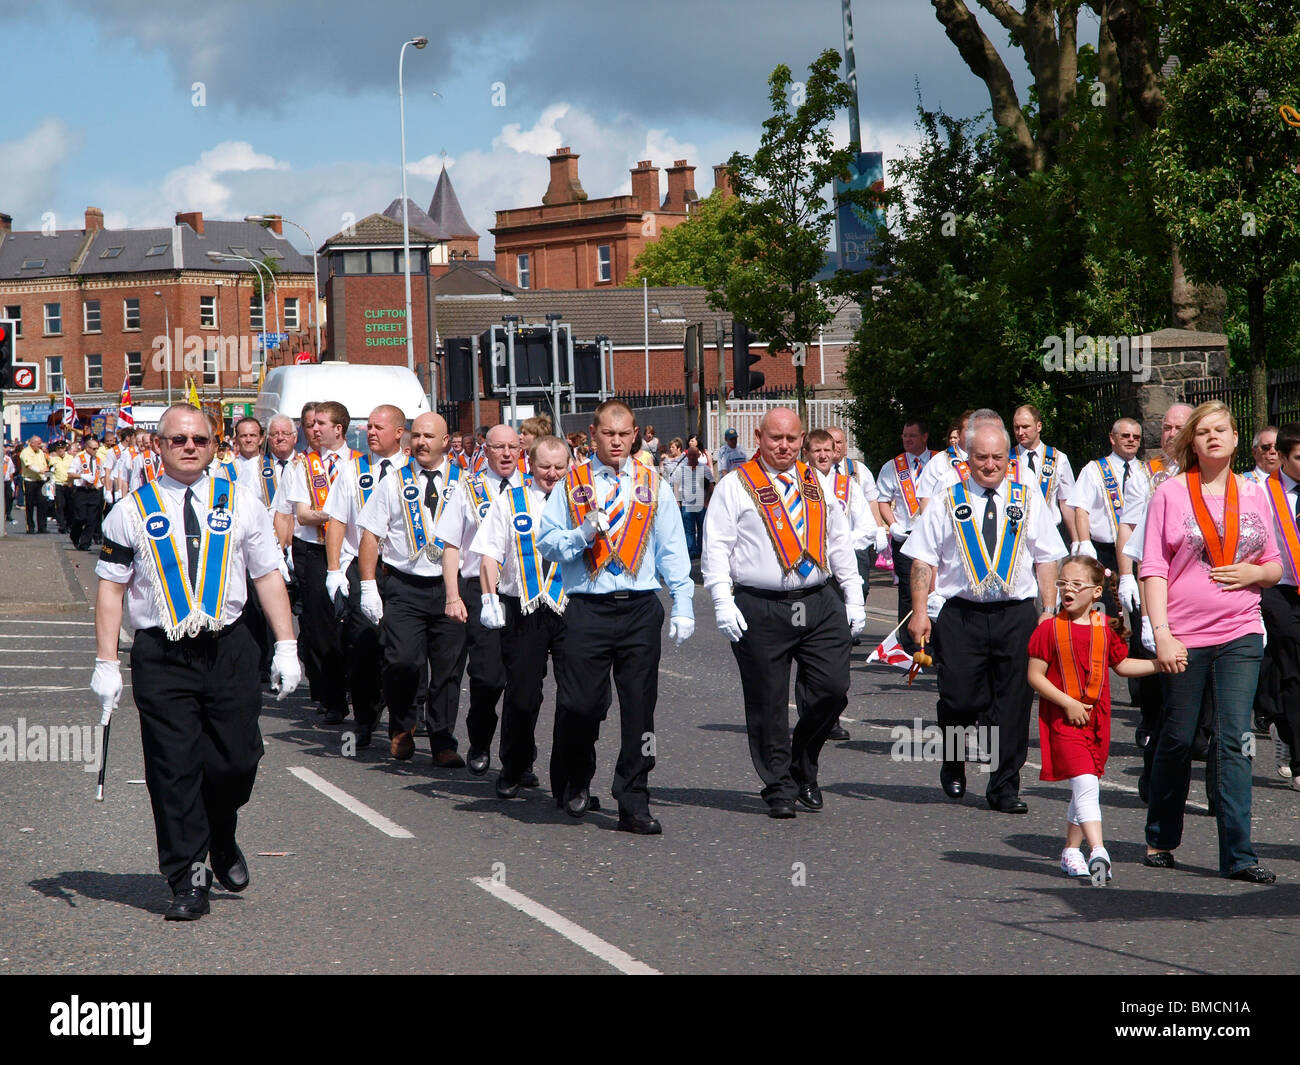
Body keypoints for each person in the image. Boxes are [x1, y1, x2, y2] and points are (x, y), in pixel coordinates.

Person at [90, 403, 301, 920]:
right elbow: (111, 590)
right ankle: (188, 878)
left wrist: (287, 645)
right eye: (177, 439)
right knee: (172, 768)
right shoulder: (129, 510)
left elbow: (267, 576)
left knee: (236, 759)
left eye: (199, 440)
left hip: (229, 647)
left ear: (214, 446)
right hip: (163, 654)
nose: (189, 447)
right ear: (158, 446)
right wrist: (106, 663)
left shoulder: (243, 503)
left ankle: (221, 832)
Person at [538, 400, 694, 834]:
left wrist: (682, 601)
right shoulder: (572, 482)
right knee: (580, 704)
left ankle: (634, 799)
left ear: (636, 434)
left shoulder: (652, 482)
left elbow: (671, 547)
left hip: (640, 608)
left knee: (640, 710)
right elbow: (546, 544)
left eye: (625, 434)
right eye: (609, 433)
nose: (617, 441)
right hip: (588, 607)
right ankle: (576, 776)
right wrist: (581, 534)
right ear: (593, 433)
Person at [1141, 402, 1281, 883]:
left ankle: (1239, 855)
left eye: (1221, 430)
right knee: (1179, 738)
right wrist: (1160, 633)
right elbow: (1153, 567)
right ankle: (1161, 835)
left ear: (1236, 437)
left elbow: (1276, 563)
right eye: (1203, 433)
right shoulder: (1171, 493)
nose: (1213, 438)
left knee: (1235, 741)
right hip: (1184, 635)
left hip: (1241, 630)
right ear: (1192, 444)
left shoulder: (1254, 492)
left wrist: (1255, 572)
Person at [702, 409, 865, 817]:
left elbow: (839, 540)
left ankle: (802, 764)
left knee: (832, 689)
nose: (785, 447)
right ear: (758, 436)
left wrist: (854, 594)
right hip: (760, 604)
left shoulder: (817, 483)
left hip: (818, 600)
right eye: (776, 438)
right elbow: (717, 547)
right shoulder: (735, 486)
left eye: (793, 439)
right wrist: (722, 600)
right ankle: (778, 785)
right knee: (768, 702)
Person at [904, 421, 1067, 812]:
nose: (990, 465)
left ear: (1009, 459)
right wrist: (919, 612)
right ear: (968, 458)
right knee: (959, 698)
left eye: (998, 457)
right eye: (981, 457)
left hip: (1016, 615)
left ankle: (1004, 786)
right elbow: (923, 558)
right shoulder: (947, 499)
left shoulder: (1028, 498)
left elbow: (1047, 557)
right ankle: (954, 760)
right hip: (962, 615)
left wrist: (1048, 611)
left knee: (1013, 704)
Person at [1027, 556, 1161, 883]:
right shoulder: (1050, 628)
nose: (1067, 590)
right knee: (1086, 783)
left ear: (1096, 591)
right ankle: (1099, 850)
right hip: (1063, 719)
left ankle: (1071, 851)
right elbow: (1035, 676)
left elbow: (1123, 665)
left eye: (1076, 584)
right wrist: (1067, 702)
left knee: (1086, 785)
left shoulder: (1103, 629)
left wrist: (1160, 665)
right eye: (1062, 584)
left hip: (1096, 720)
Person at [357, 412, 469, 765]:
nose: (421, 442)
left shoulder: (466, 483)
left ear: (446, 441)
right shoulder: (393, 481)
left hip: (451, 586)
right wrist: (368, 586)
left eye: (429, 436)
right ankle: (403, 725)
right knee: (402, 660)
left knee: (449, 668)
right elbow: (371, 537)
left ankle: (442, 739)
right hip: (405, 586)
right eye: (417, 435)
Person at [474, 435, 572, 798]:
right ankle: (515, 766)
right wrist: (488, 598)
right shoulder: (509, 501)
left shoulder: (580, 502)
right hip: (523, 608)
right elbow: (488, 553)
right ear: (530, 465)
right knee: (523, 695)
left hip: (567, 606)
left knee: (574, 697)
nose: (552, 474)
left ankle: (568, 780)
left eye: (560, 467)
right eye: (545, 466)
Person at [436, 423, 528, 773]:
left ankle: (520, 758)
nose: (506, 453)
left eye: (512, 447)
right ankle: (480, 740)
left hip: (523, 591)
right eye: (498, 447)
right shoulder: (467, 488)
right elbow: (451, 544)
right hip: (481, 590)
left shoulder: (532, 487)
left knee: (524, 680)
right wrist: (452, 595)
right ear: (484, 450)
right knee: (488, 676)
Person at [1114, 403, 1192, 799]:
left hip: (1196, 593)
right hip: (1152, 586)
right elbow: (1127, 526)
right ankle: (1153, 766)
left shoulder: (1209, 475)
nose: (1170, 433)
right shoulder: (1145, 473)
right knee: (1157, 687)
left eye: (1179, 426)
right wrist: (1126, 576)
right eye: (1165, 427)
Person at [322, 405, 409, 747]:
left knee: (403, 648)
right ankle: (364, 717)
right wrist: (333, 570)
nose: (370, 432)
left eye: (378, 427)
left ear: (399, 433)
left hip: (402, 568)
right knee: (362, 644)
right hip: (362, 567)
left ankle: (406, 717)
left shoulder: (413, 468)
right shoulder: (353, 469)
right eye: (368, 426)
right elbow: (338, 521)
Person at [283, 401, 356, 724]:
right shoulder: (303, 465)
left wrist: (333, 515)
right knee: (320, 628)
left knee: (355, 625)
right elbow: (302, 514)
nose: (313, 429)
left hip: (350, 553)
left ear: (338, 429)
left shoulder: (358, 465)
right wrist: (338, 514)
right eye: (311, 425)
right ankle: (332, 698)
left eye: (320, 424)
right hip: (315, 550)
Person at [1256, 423, 1300, 785]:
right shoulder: (1261, 492)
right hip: (1281, 590)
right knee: (1293, 669)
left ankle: (1283, 728)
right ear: (1281, 457)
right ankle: (1298, 755)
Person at [1066, 417, 1142, 618]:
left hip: (1137, 552)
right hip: (1105, 552)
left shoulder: (1146, 472)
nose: (1131, 440)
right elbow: (1081, 509)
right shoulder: (1094, 469)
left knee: (1140, 610)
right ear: (1112, 438)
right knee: (1107, 612)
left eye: (1136, 437)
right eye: (1125, 435)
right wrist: (1084, 542)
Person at [875, 418, 936, 651]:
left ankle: (935, 640)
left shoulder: (939, 461)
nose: (907, 440)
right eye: (904, 436)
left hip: (933, 535)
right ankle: (910, 645)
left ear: (924, 437)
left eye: (912, 435)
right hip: (906, 536)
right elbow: (882, 500)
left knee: (935, 589)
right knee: (908, 591)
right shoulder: (893, 466)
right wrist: (893, 525)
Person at [1011, 404, 1078, 546]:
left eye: (1025, 426)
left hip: (1051, 534)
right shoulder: (1006, 459)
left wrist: (1077, 541)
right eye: (1017, 427)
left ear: (1038, 426)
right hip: (1016, 535)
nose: (1020, 432)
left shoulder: (1059, 458)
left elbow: (1066, 502)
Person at [668, 437, 714, 559]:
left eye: (695, 456)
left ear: (698, 456)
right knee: (688, 529)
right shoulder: (681, 469)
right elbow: (676, 485)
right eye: (691, 456)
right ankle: (691, 550)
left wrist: (707, 501)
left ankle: (701, 550)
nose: (692, 458)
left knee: (701, 528)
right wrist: (677, 501)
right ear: (688, 456)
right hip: (686, 503)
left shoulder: (704, 469)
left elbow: (711, 484)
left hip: (700, 503)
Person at [67, 437, 109, 551]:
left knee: (92, 519)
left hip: (94, 492)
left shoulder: (99, 460)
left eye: (97, 448)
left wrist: (106, 489)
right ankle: (75, 536)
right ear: (87, 448)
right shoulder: (79, 459)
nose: (96, 451)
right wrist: (82, 476)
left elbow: (103, 475)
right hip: (82, 491)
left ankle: (85, 543)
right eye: (94, 449)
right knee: (80, 518)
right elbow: (70, 473)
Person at [19, 436, 50, 534]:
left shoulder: (40, 452)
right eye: (38, 443)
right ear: (32, 443)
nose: (40, 445)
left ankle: (42, 527)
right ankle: (30, 527)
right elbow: (29, 466)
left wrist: (45, 472)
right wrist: (41, 470)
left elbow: (44, 464)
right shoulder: (25, 452)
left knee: (42, 504)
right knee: (30, 505)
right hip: (30, 481)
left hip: (40, 480)